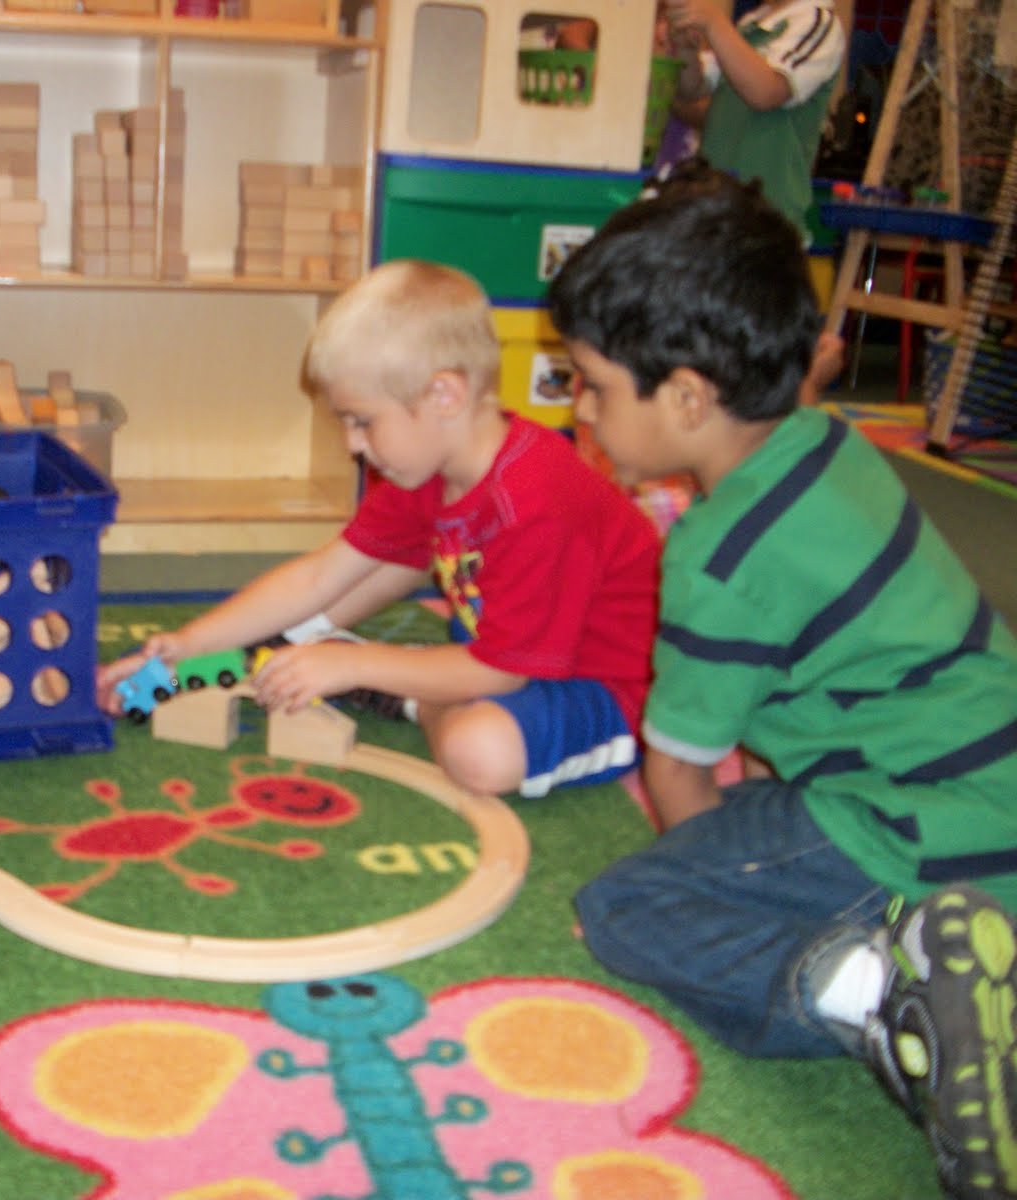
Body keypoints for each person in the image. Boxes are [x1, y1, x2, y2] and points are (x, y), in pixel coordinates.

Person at [546, 168, 1017, 1200]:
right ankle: (975, 976)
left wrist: (701, 874)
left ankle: (882, 992)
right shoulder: (832, 443)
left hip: (918, 830)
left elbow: (675, 771)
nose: (579, 408)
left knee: (627, 904)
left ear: (683, 397)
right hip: (995, 790)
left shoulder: (718, 555)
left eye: (589, 384)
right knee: (763, 809)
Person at [97, 259, 660, 803]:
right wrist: (191, 644)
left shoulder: (535, 501)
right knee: (364, 579)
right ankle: (302, 662)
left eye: (362, 421)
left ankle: (408, 693)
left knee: (477, 752)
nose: (352, 445)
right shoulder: (429, 463)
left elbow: (502, 673)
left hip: (606, 690)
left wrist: (356, 666)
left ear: (445, 394)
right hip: (505, 652)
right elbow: (321, 574)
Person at [661, 0, 844, 236]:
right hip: (715, 210)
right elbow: (692, 89)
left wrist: (715, 24)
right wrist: (686, 50)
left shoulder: (818, 23)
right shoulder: (752, 25)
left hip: (769, 218)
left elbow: (766, 92)